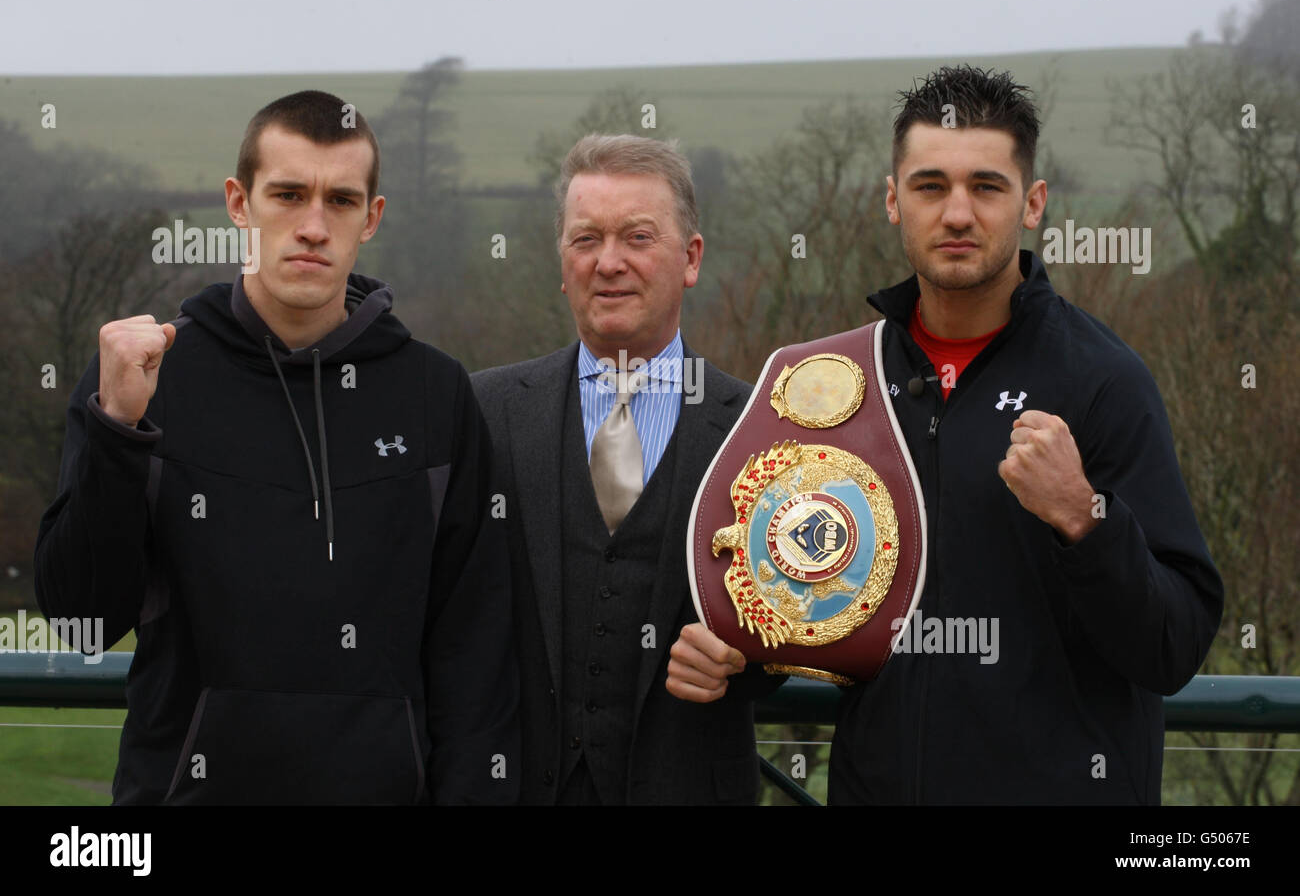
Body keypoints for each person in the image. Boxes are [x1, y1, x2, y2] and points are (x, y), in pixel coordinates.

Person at [683, 66, 1224, 804]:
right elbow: (804, 601)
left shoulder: (1103, 380)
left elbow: (1175, 644)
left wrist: (1084, 517)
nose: (958, 213)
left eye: (987, 187)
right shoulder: (835, 380)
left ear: (1032, 204)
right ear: (892, 199)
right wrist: (734, 659)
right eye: (931, 186)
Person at [34, 90, 517, 805]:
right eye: (288, 194)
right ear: (239, 203)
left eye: (341, 200)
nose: (314, 226)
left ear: (371, 218)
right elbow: (82, 620)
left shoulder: (435, 394)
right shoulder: (144, 380)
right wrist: (116, 431)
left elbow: (474, 662)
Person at [471, 134, 780, 805]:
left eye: (637, 237)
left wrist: (746, 659)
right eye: (586, 240)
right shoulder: (483, 412)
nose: (608, 263)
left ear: (691, 258)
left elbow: (799, 619)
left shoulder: (760, 428)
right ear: (562, 262)